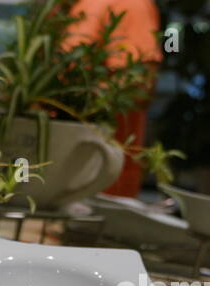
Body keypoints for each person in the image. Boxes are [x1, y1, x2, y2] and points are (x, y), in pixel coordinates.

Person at [64, 0, 163, 197]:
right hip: (64, 172)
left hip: (100, 179)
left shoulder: (131, 5)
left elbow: (140, 82)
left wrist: (77, 102)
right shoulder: (79, 5)